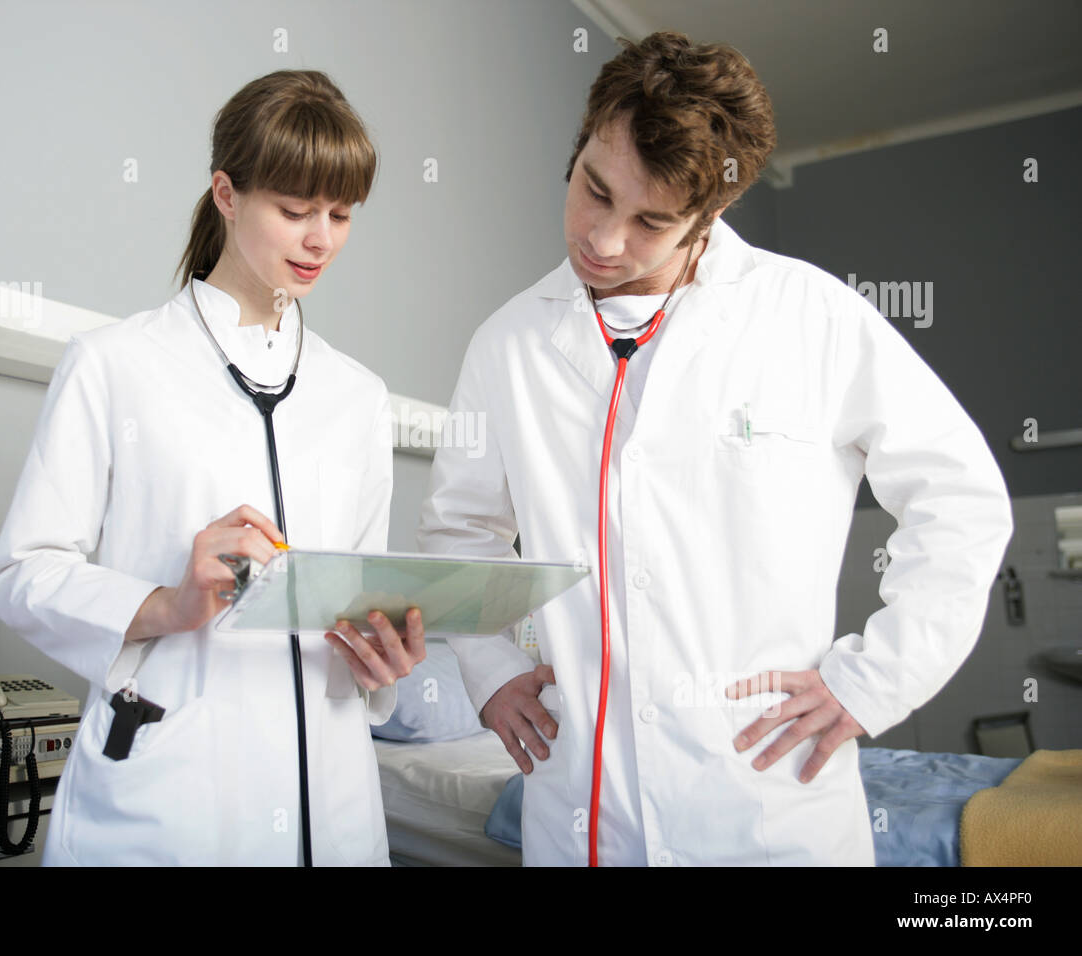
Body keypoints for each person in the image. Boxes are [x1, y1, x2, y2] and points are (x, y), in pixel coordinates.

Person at [417, 32, 1013, 866]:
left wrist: (870, 680)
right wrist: (488, 671)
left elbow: (962, 499)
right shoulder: (508, 343)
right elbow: (461, 531)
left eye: (651, 221)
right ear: (583, 142)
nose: (605, 240)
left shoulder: (810, 318)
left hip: (767, 811)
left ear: (711, 213)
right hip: (583, 810)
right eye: (594, 189)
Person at [0, 69, 425, 866]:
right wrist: (165, 602)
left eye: (341, 213)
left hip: (331, 799)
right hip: (174, 791)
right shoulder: (114, 365)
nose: (320, 238)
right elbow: (19, 572)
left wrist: (377, 659)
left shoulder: (357, 398)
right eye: (294, 211)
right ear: (226, 193)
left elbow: (350, 599)